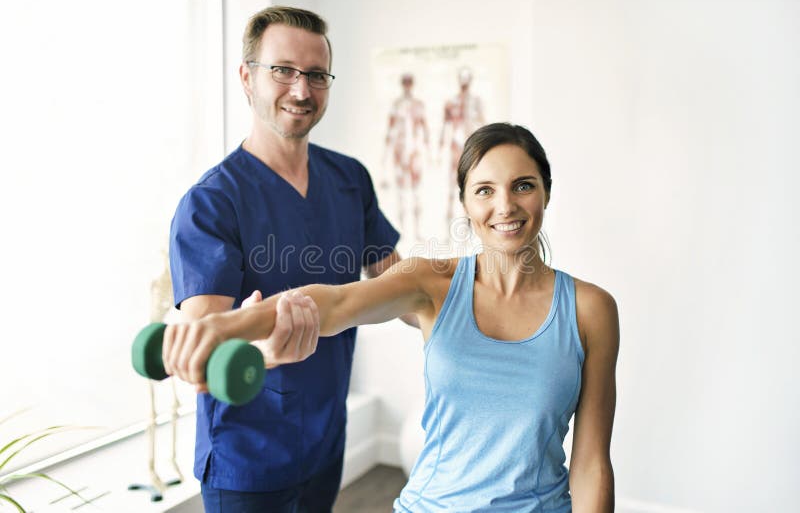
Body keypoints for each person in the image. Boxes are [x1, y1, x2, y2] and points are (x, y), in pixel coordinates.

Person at [165, 122, 619, 511]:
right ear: (465, 204)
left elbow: (592, 461)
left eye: (523, 185)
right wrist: (220, 326)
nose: (506, 206)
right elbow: (338, 302)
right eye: (485, 190)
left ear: (546, 192)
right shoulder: (431, 281)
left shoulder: (590, 309)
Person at [168, 6, 404, 512]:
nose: (301, 90)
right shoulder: (212, 203)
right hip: (247, 460)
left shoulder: (349, 180)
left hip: (324, 442)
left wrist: (472, 286)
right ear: (247, 77)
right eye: (283, 71)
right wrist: (266, 353)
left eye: (316, 75)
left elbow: (397, 285)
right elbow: (205, 353)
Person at [381, 73, 429, 240]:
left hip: (414, 152)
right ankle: (402, 231)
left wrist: (429, 154)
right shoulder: (397, 105)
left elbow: (424, 128)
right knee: (401, 191)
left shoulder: (418, 105)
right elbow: (390, 129)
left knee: (416, 191)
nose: (407, 85)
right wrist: (385, 158)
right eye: (405, 82)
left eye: (410, 82)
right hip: (400, 151)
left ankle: (417, 231)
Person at [439, 66, 485, 225]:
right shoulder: (451, 102)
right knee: (453, 182)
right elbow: (445, 125)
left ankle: (468, 222)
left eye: (467, 79)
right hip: (456, 145)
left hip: (471, 145)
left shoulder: (476, 102)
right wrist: (440, 149)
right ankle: (448, 222)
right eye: (462, 79)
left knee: (473, 180)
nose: (464, 83)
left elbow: (482, 121)